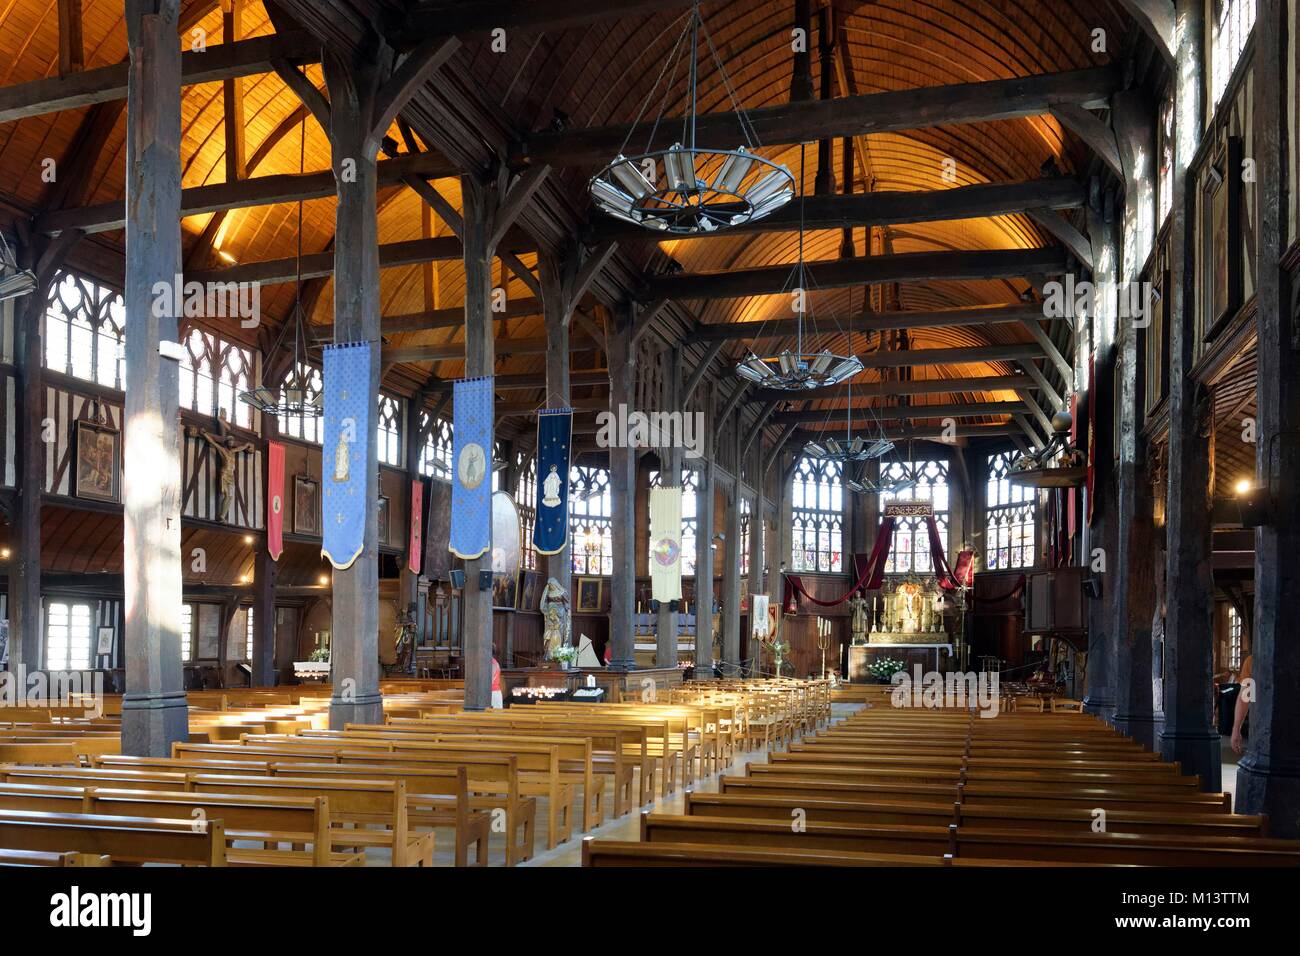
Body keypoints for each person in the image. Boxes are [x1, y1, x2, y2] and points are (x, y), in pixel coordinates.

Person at [1231, 654, 1252, 754]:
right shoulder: (1252, 661)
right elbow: (1245, 698)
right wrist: (1236, 729)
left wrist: (1236, 729)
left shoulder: (1253, 660)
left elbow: (1244, 698)